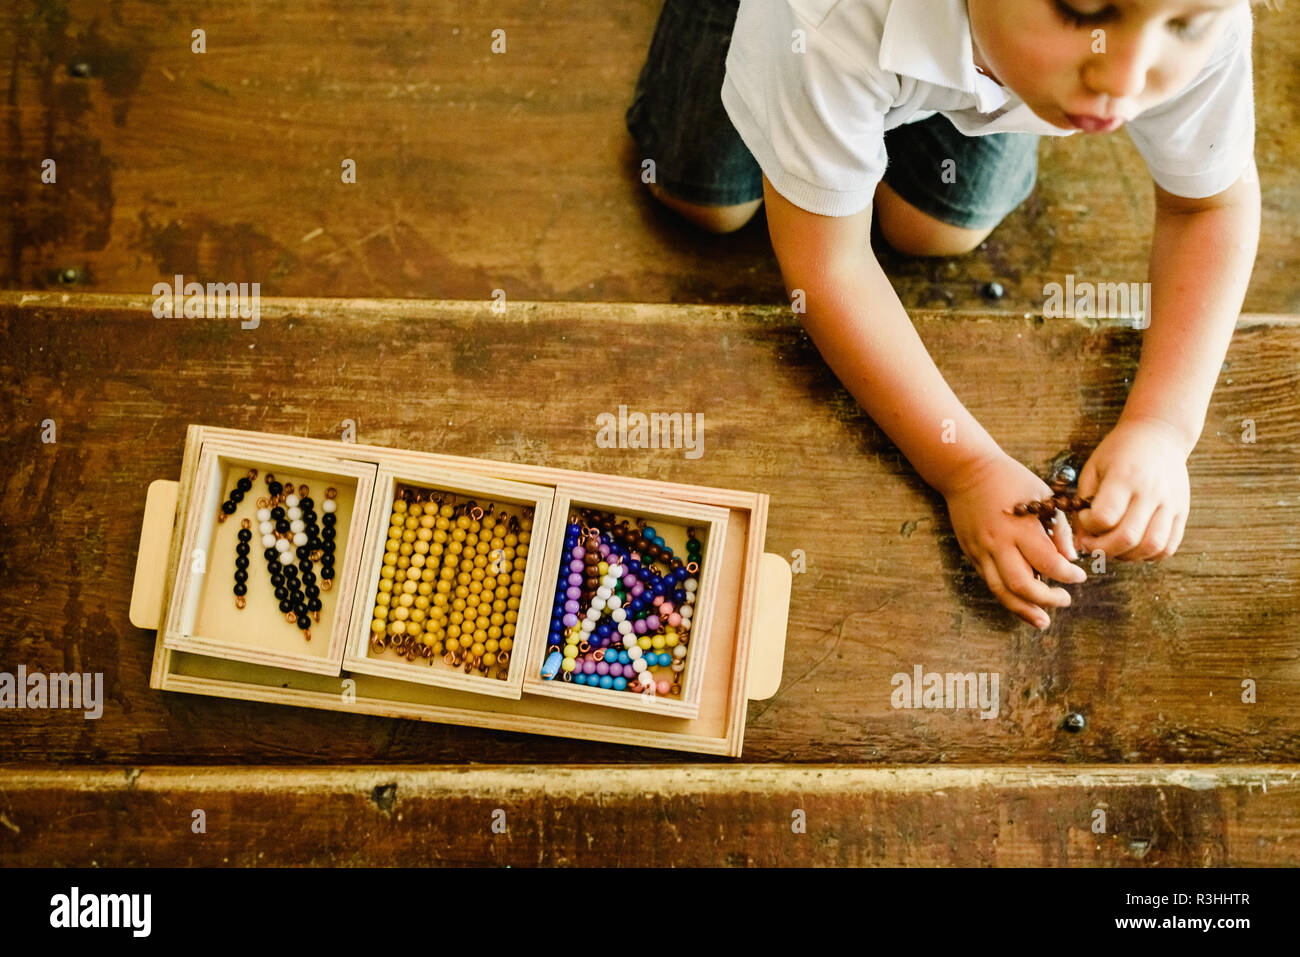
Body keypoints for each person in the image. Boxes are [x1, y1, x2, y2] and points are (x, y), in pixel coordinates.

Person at [626, 0, 1261, 629]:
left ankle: (964, 77)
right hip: (815, 29)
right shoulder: (828, 20)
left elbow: (1209, 207)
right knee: (705, 202)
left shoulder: (1199, 19)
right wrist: (967, 468)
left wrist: (1163, 425)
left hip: (937, 42)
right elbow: (828, 270)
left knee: (934, 230)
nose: (1121, 79)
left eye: (1183, 25)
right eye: (1079, 9)